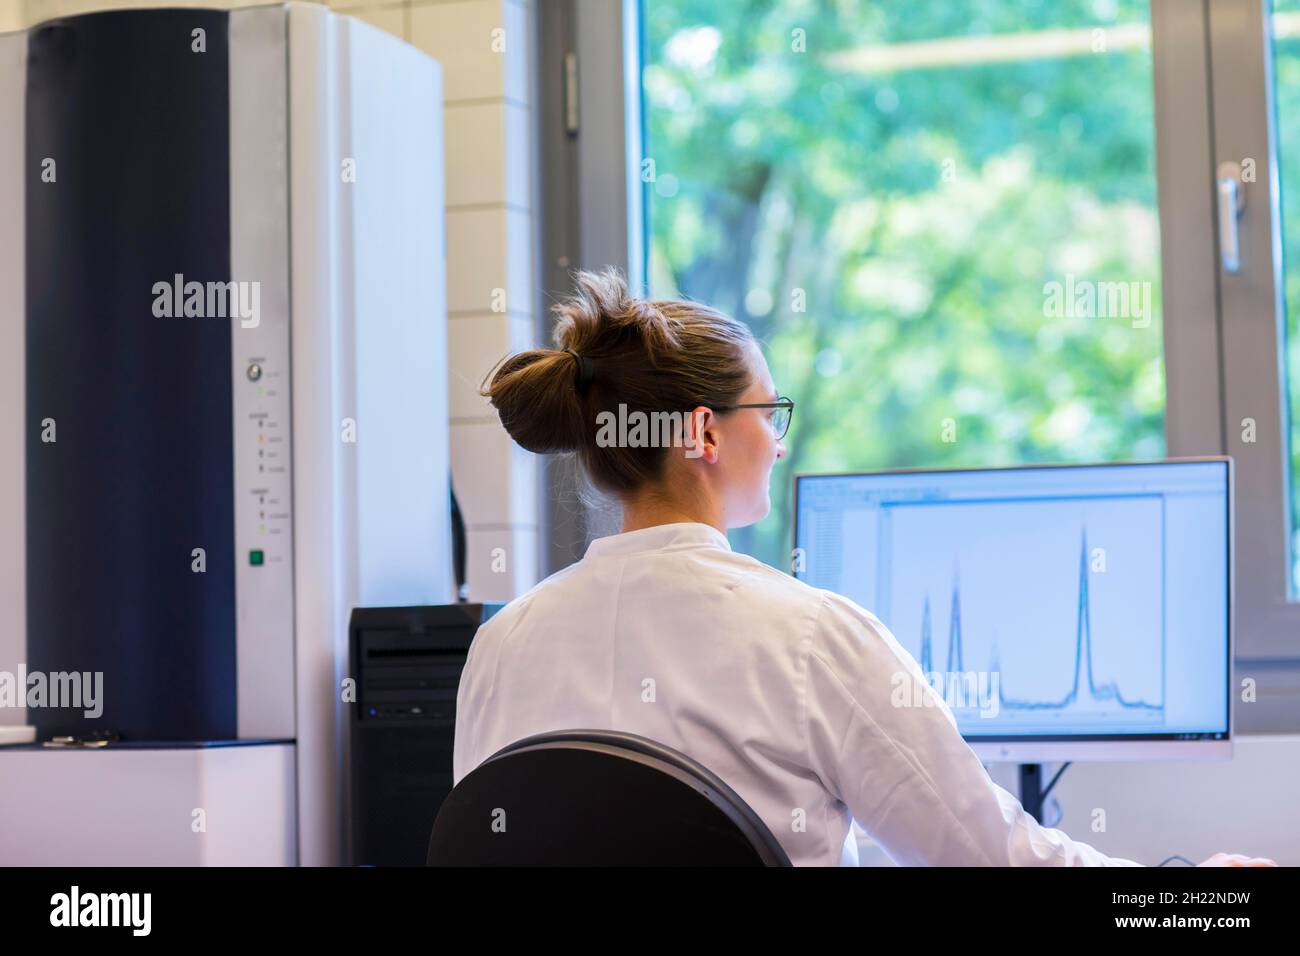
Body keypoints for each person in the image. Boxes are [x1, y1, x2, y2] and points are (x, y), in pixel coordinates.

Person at [453, 268, 1275, 868]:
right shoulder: (811, 636)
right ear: (702, 435)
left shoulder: (502, 643)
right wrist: (1190, 896)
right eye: (768, 414)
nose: (778, 441)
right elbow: (989, 859)